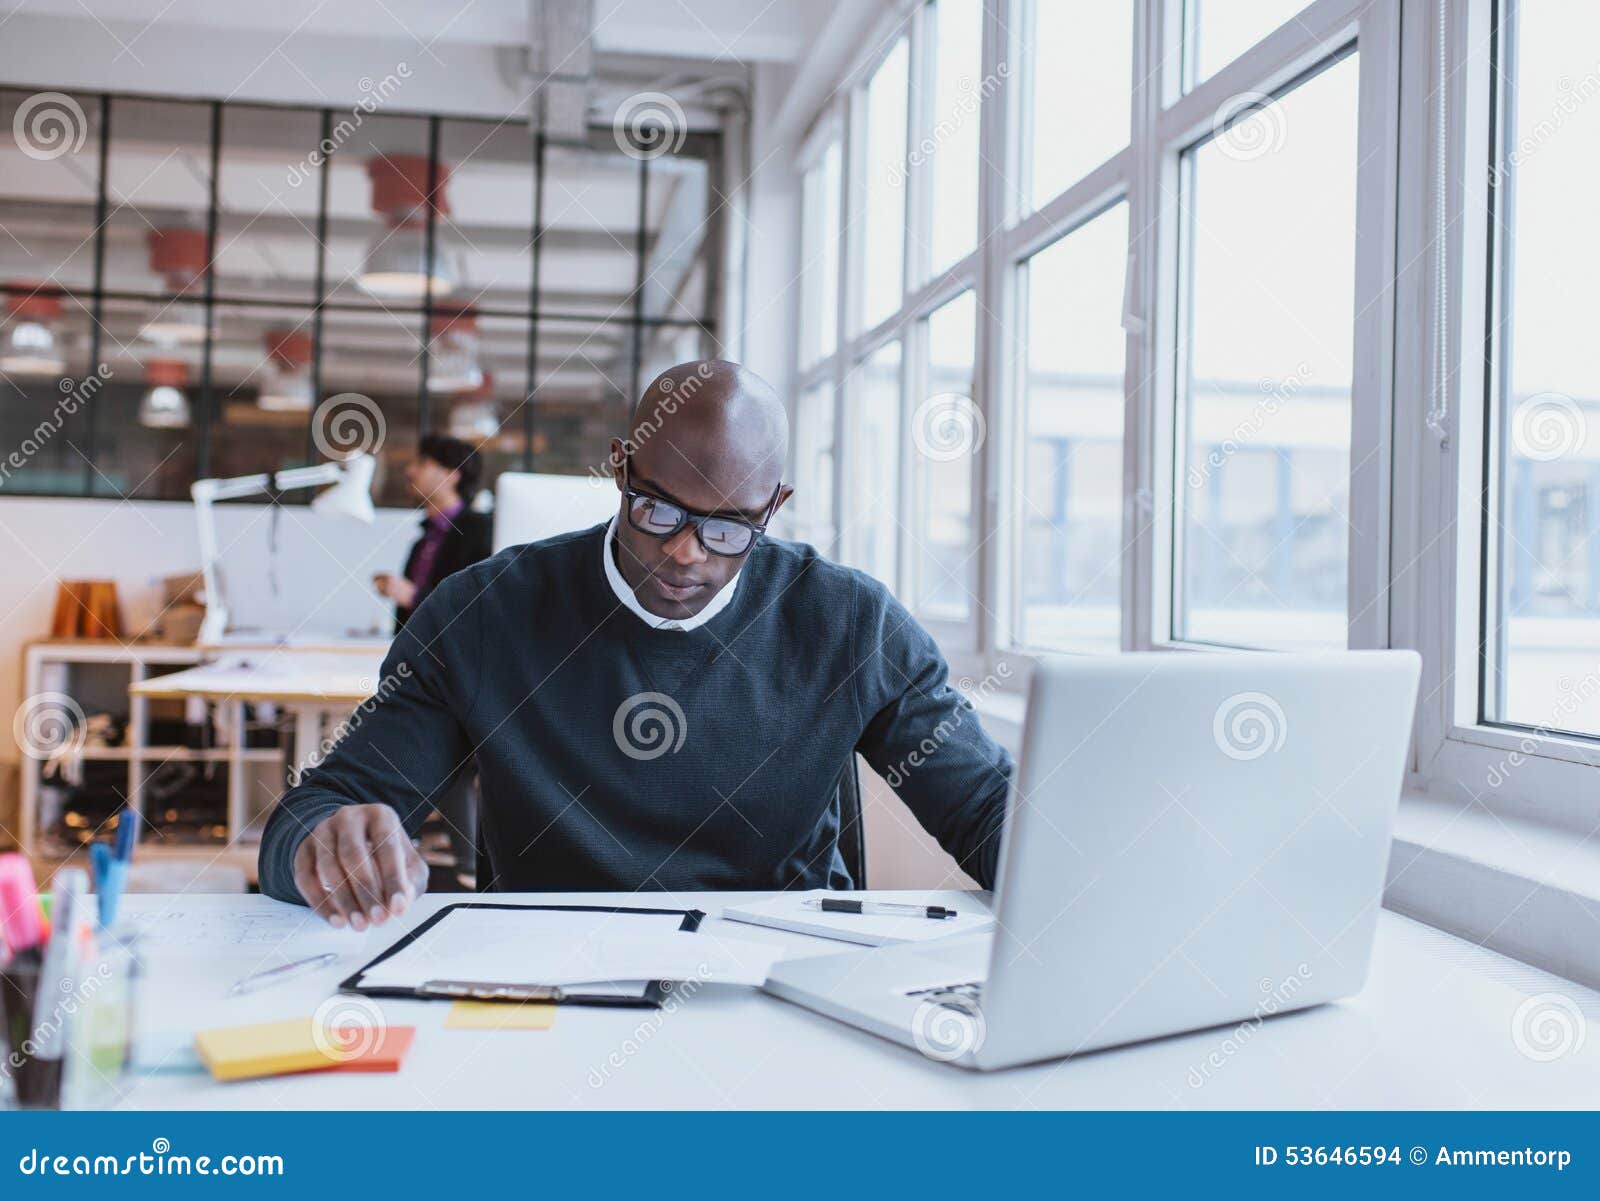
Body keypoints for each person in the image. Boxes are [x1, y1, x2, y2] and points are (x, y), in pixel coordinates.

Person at [258, 361, 1011, 930]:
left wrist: (1085, 879)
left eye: (727, 528)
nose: (687, 553)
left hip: (779, 973)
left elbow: (989, 809)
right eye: (657, 510)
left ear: (774, 507)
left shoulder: (849, 621)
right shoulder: (483, 614)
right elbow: (313, 810)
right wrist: (325, 843)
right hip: (549, 975)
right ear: (621, 468)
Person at [373, 434, 494, 629]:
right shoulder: (423, 540)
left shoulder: (481, 532)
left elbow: (475, 605)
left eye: (422, 464)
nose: (410, 470)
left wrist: (413, 596)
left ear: (451, 475)